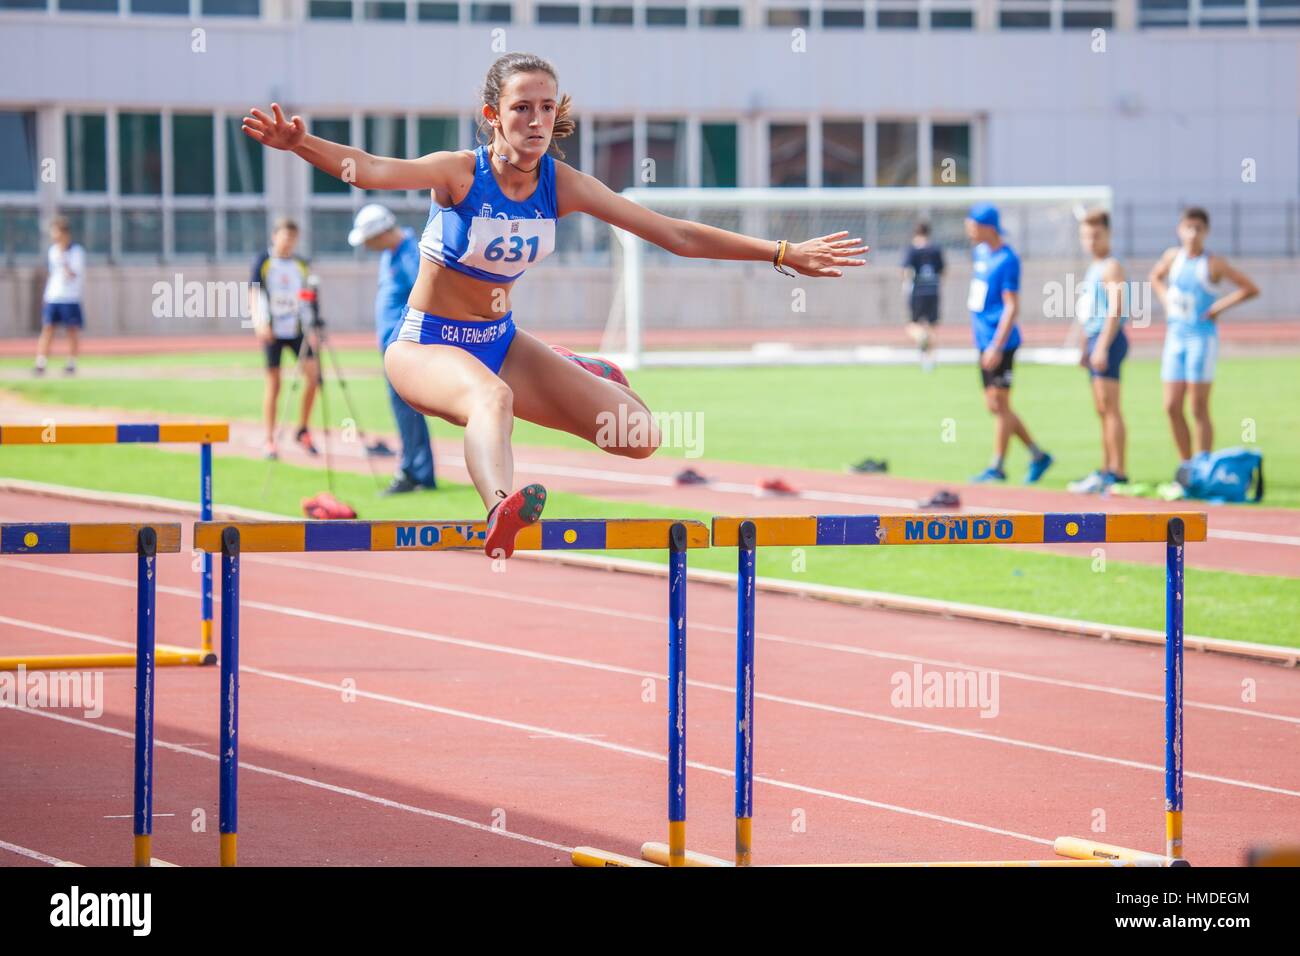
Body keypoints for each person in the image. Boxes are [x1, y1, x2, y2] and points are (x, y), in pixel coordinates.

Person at [241, 52, 867, 559]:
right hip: (425, 345)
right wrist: (302, 144)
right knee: (493, 399)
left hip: (501, 343)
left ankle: (581, 367)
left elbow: (673, 234)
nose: (536, 121)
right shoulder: (459, 173)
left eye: (546, 107)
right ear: (493, 115)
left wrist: (781, 252)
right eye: (521, 108)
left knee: (638, 437)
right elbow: (372, 169)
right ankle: (500, 510)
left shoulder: (561, 185)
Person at [1149, 207, 1258, 465]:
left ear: (1206, 232)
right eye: (1188, 228)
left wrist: (1218, 307)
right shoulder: (1173, 257)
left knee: (1198, 407)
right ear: (1179, 230)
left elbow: (1250, 288)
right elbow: (1155, 277)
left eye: (1198, 229)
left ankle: (1203, 466)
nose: (1192, 234)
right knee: (1171, 406)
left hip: (1201, 339)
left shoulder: (1212, 263)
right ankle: (1186, 467)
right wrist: (1165, 299)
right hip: (1175, 338)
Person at [348, 203, 438, 495]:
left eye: (369, 240)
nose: (368, 246)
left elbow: (424, 297)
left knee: (407, 409)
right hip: (393, 346)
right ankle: (417, 469)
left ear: (381, 233)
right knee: (404, 409)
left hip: (404, 347)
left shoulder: (410, 254)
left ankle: (414, 471)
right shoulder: (391, 253)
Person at [964, 203, 1053, 484]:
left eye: (973, 226)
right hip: (983, 339)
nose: (969, 231)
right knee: (993, 404)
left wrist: (997, 345)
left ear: (988, 227)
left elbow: (1011, 306)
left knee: (1001, 404)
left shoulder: (1008, 260)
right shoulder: (980, 253)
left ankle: (997, 466)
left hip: (1000, 342)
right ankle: (1038, 454)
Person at [1067, 209, 1128, 494]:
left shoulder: (1111, 266)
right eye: (1086, 236)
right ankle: (1106, 469)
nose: (1090, 241)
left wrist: (1102, 345)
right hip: (1094, 339)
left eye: (1096, 235)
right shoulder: (1094, 266)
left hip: (1108, 340)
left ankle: (1118, 471)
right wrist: (1084, 346)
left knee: (1110, 407)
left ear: (1108, 234)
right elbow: (1087, 311)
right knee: (1101, 409)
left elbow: (1116, 308)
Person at [249, 218, 320, 460]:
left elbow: (308, 295)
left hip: (297, 329)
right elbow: (254, 292)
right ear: (275, 236)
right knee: (274, 384)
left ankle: (303, 429)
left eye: (293, 237)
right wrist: (259, 322)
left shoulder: (300, 264)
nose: (288, 241)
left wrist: (312, 327)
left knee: (314, 377)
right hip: (273, 330)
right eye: (285, 236)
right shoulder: (264, 261)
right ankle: (269, 439)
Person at [35, 216, 84, 376]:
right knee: (47, 328)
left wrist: (63, 258)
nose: (53, 236)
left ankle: (71, 363)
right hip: (53, 297)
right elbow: (53, 275)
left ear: (64, 233)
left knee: (72, 331)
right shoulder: (52, 251)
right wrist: (46, 295)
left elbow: (72, 274)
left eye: (55, 232)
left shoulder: (76, 251)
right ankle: (41, 363)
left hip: (70, 297)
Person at [901, 221, 943, 370]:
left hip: (918, 291)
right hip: (933, 290)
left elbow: (906, 271)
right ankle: (930, 361)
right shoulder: (936, 249)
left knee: (912, 325)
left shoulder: (912, 250)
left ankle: (920, 337)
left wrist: (906, 285)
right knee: (932, 326)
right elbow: (942, 270)